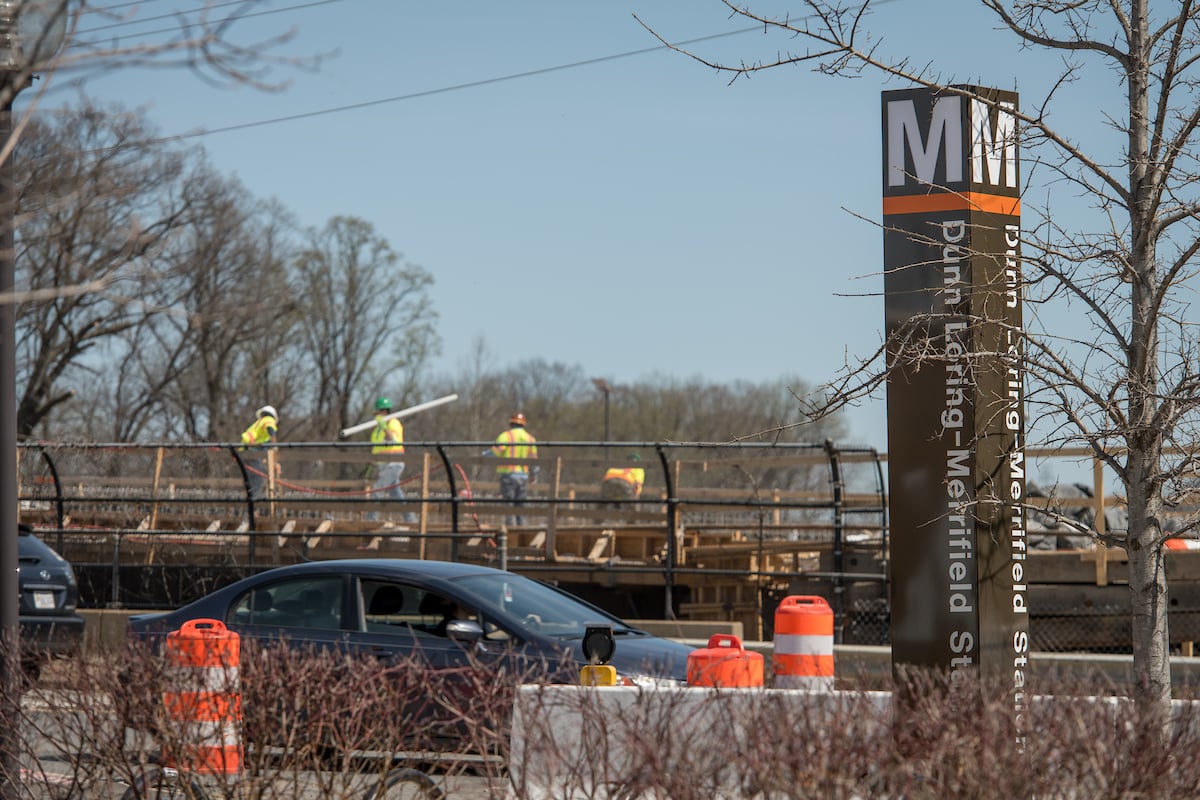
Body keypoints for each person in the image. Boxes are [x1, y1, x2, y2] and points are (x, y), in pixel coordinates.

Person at [369, 396, 416, 523]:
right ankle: (411, 520)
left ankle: (370, 521)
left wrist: (384, 426)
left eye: (377, 412)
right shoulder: (378, 428)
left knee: (377, 491)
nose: (375, 415)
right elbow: (377, 446)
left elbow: (392, 440)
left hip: (393, 464)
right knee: (397, 495)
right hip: (384, 465)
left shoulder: (392, 423)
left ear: (383, 411)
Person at [491, 412, 539, 526]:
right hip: (523, 476)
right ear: (523, 424)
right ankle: (522, 529)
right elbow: (534, 459)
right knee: (521, 505)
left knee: (509, 504)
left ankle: (511, 530)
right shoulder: (530, 438)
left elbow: (496, 452)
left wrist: (483, 456)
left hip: (508, 475)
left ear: (511, 423)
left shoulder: (506, 436)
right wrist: (534, 475)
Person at [240, 405, 279, 502]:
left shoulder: (257, 424)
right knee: (259, 474)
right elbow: (271, 430)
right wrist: (274, 446)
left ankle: (251, 496)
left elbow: (262, 442)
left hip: (245, 450)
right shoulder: (268, 420)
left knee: (251, 475)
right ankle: (255, 497)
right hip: (252, 450)